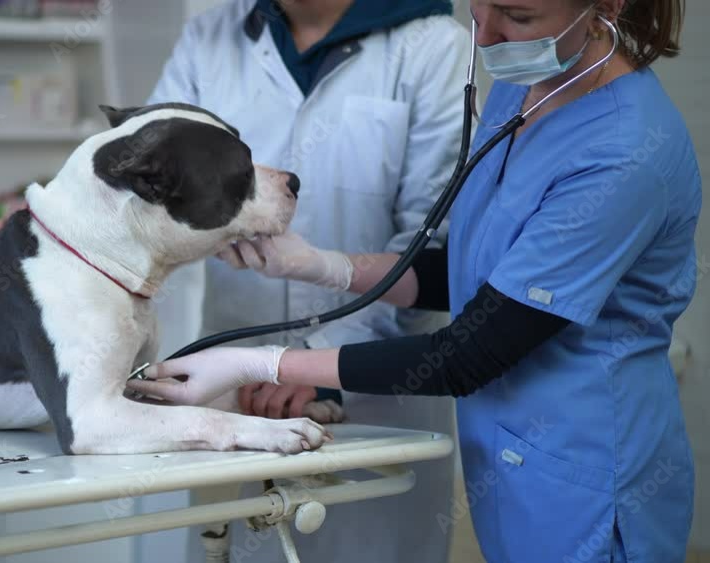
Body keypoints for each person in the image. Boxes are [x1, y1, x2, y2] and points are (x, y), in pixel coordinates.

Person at [131, 0, 700, 562]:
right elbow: (469, 271)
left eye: (518, 17)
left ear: (606, 7)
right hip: (509, 456)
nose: (484, 38)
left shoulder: (624, 153)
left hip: (585, 467)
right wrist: (325, 265)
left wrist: (264, 363)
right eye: (480, 9)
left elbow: (473, 350)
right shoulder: (519, 90)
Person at [144, 0, 468, 561]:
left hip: (376, 396)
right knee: (233, 541)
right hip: (235, 388)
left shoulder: (434, 43)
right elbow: (143, 177)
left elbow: (433, 247)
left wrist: (321, 366)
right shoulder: (210, 39)